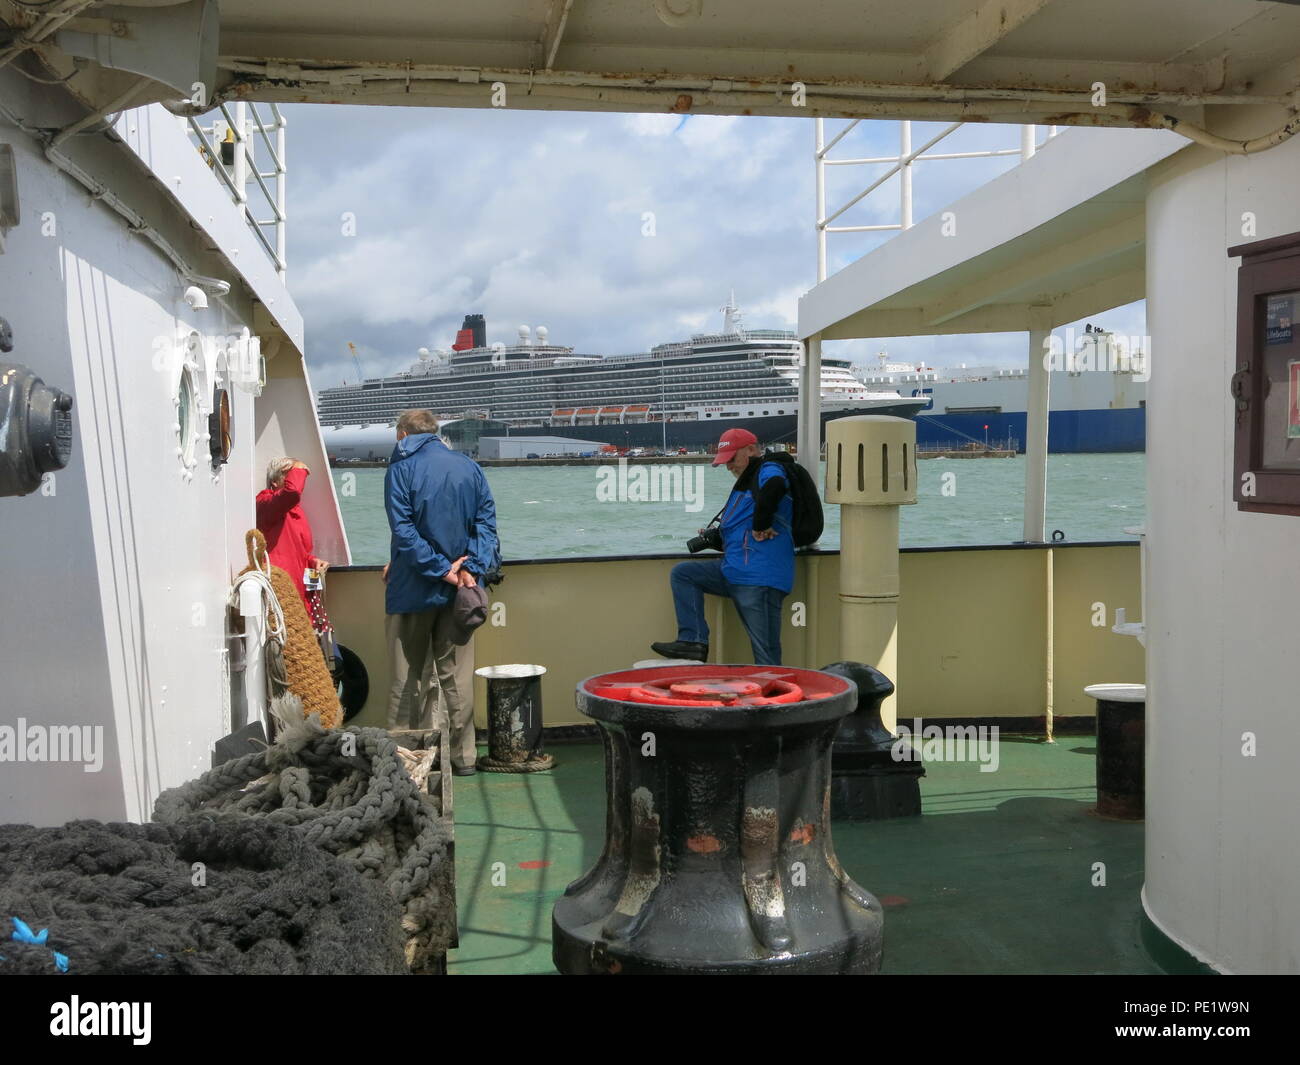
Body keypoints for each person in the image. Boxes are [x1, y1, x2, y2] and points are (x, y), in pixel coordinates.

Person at [383, 409, 499, 775]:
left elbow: (404, 532)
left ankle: (405, 760)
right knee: (458, 679)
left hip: (413, 590)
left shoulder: (400, 469)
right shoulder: (469, 467)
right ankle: (464, 758)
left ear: (403, 434)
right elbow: (487, 525)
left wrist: (439, 571)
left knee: (408, 679)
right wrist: (467, 570)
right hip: (463, 593)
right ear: (435, 433)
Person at [651, 428, 793, 666]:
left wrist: (761, 524)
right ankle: (693, 642)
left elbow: (776, 486)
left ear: (751, 449)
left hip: (759, 578)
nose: (729, 467)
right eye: (725, 462)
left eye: (732, 459)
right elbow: (742, 529)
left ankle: (772, 699)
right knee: (684, 574)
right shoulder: (746, 485)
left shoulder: (769, 469)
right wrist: (715, 538)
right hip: (736, 570)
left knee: (766, 653)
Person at [256, 457, 329, 615]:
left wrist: (313, 562)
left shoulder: (297, 512)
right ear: (275, 481)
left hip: (301, 596)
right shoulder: (264, 503)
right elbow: (293, 492)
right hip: (280, 595)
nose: (297, 480)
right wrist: (299, 468)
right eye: (289, 475)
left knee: (312, 634)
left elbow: (302, 554)